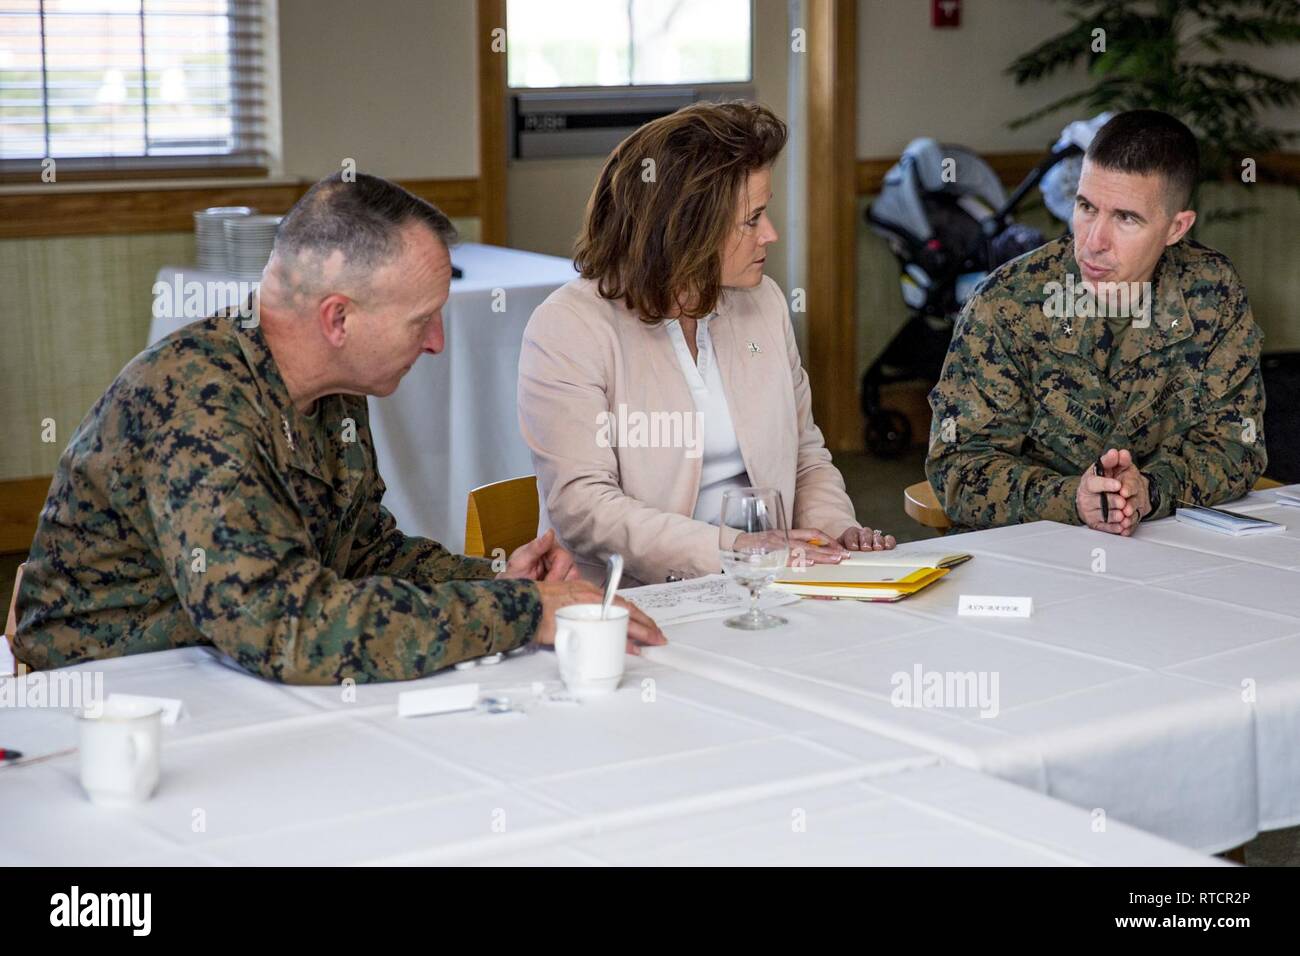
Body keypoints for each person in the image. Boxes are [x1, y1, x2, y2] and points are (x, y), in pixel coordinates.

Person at [13, 173, 664, 682]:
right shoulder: (197, 403)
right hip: (113, 700)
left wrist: (497, 583)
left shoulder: (329, 387)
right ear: (337, 320)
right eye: (422, 320)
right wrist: (526, 614)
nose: (437, 342)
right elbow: (284, 627)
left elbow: (362, 554)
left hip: (214, 673)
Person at [518, 101, 895, 587]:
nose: (771, 234)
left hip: (770, 586)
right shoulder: (568, 326)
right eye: (753, 218)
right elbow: (585, 508)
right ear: (685, 228)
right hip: (631, 602)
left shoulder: (763, 303)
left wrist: (835, 531)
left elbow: (805, 456)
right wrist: (737, 550)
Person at [926, 109, 1266, 534]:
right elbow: (959, 467)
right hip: (1029, 555)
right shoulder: (1009, 300)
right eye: (1086, 207)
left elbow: (1236, 446)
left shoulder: (1212, 292)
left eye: (1126, 218)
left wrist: (1150, 491)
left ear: (1176, 227)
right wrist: (1073, 499)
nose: (1093, 242)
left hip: (1166, 547)